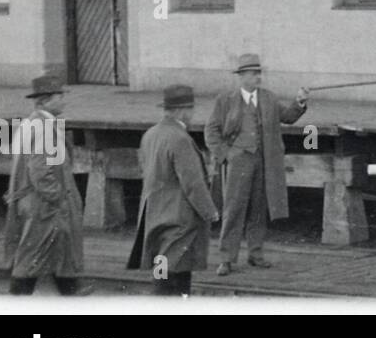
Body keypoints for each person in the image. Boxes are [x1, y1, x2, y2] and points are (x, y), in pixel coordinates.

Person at [203, 54, 309, 275]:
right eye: (253, 73)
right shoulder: (225, 100)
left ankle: (256, 254)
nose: (257, 77)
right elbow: (211, 131)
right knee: (233, 209)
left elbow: (288, 117)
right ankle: (226, 258)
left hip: (264, 160)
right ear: (242, 77)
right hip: (238, 161)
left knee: (259, 208)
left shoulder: (269, 98)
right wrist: (226, 154)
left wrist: (299, 102)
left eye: (258, 72)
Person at [127, 85, 219, 295]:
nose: (192, 114)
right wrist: (209, 211)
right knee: (176, 271)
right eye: (191, 109)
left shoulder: (150, 134)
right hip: (178, 216)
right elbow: (193, 183)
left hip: (154, 211)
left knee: (162, 266)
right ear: (182, 110)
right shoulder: (180, 139)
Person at [4, 74, 83, 295]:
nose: (63, 100)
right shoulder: (44, 128)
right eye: (60, 96)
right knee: (32, 257)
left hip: (34, 201)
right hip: (43, 204)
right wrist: (58, 197)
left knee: (51, 251)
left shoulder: (32, 123)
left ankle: (72, 292)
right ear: (45, 100)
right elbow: (40, 169)